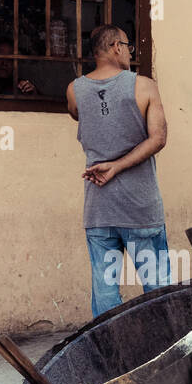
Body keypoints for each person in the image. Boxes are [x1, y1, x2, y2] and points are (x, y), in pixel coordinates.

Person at [66, 25, 171, 317]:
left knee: (105, 291)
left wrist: (109, 162)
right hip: (140, 208)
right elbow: (158, 139)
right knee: (158, 289)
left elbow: (79, 114)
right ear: (115, 46)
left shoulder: (74, 90)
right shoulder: (144, 86)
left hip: (99, 209)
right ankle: (167, 347)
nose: (129, 53)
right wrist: (119, 166)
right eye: (128, 46)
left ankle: (111, 355)